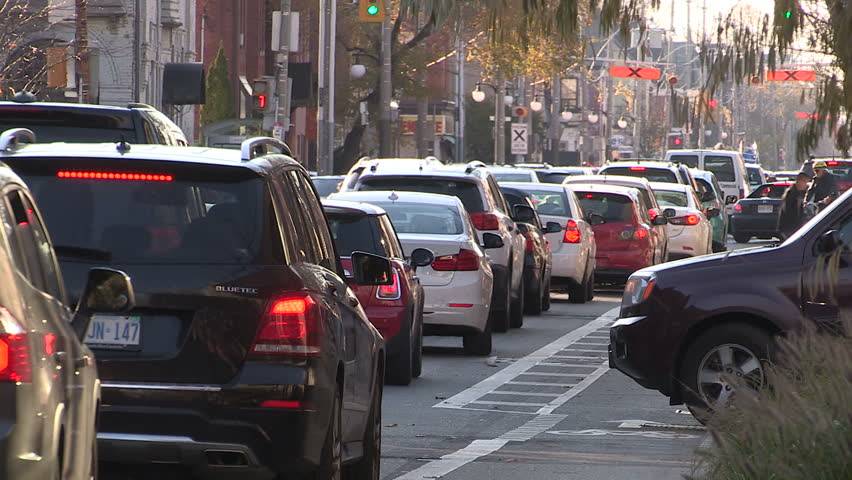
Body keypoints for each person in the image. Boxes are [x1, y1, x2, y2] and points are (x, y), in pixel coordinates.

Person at [778, 171, 811, 239]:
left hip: (799, 228)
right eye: (805, 182)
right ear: (799, 181)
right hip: (789, 228)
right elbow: (788, 211)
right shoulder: (791, 193)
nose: (806, 185)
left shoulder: (804, 193)